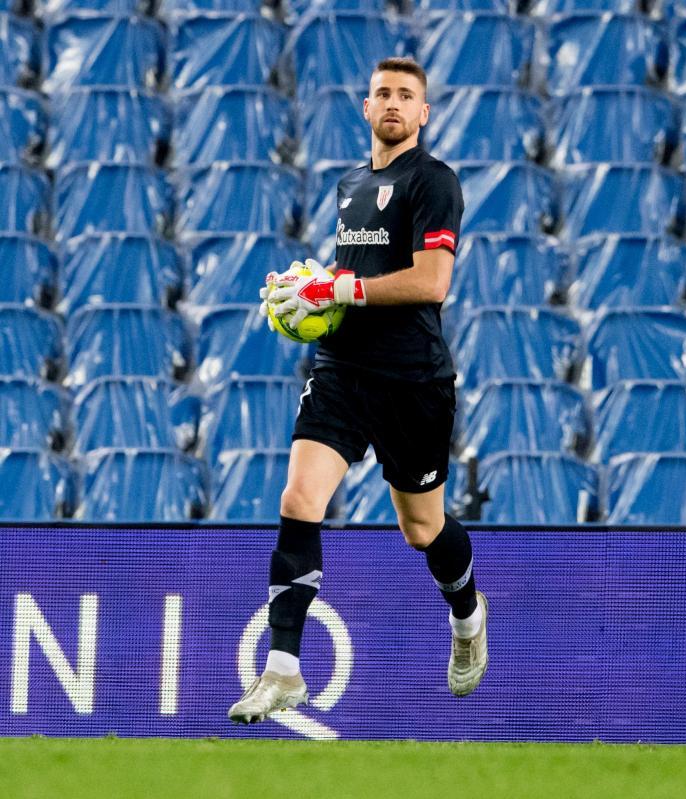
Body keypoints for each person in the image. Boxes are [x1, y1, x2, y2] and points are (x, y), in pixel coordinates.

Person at [229, 57, 487, 724]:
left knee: (421, 527)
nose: (394, 103)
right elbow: (352, 276)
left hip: (412, 377)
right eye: (383, 94)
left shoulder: (434, 181)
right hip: (342, 365)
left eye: (407, 95)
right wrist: (312, 294)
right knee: (299, 494)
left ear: (424, 113)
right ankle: (283, 667)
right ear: (365, 108)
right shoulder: (349, 184)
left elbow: (433, 282)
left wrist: (342, 288)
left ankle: (467, 614)